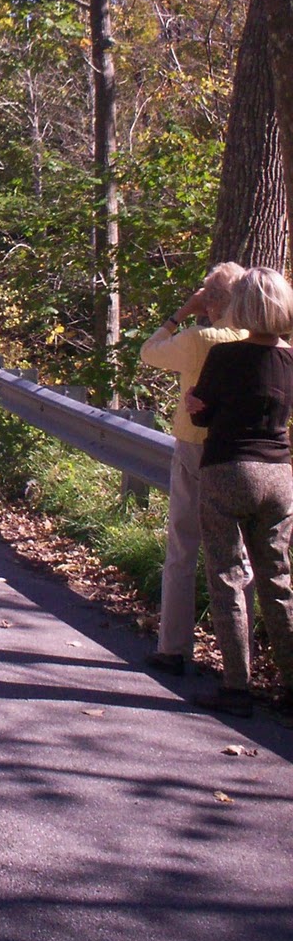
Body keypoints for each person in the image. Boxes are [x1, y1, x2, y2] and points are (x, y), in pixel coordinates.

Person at [186, 267, 293, 724]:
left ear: (242, 305)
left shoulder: (226, 356)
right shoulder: (291, 360)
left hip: (229, 468)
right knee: (278, 580)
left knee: (228, 575)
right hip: (280, 475)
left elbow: (204, 417)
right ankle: (291, 687)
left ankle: (237, 686)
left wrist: (195, 402)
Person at [138, 262, 247, 676]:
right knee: (237, 558)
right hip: (241, 452)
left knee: (184, 547)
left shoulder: (199, 339)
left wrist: (180, 314)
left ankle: (174, 647)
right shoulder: (259, 340)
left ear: (213, 301)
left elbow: (149, 352)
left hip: (194, 447)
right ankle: (241, 660)